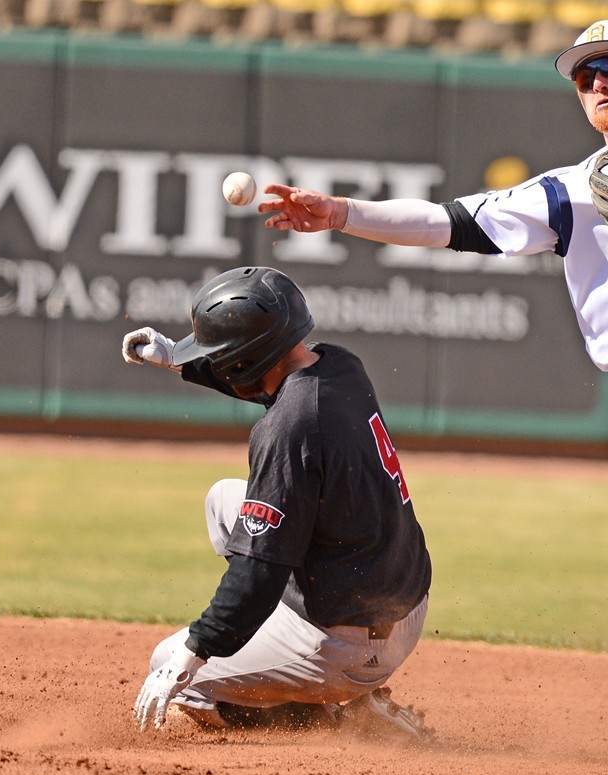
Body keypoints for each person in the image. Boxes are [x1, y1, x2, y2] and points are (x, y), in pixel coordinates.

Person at [257, 20, 608, 775]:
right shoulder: (571, 191)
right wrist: (342, 214)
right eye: (586, 77)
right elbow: (454, 223)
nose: (601, 85)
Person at [120, 265, 433, 741]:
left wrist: (196, 648)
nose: (217, 362)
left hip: (348, 643)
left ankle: (348, 719)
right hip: (399, 600)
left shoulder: (286, 430)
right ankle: (300, 663)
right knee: (225, 500)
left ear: (242, 361)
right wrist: (179, 360)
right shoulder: (340, 366)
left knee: (173, 667)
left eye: (219, 356)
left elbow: (256, 578)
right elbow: (270, 379)